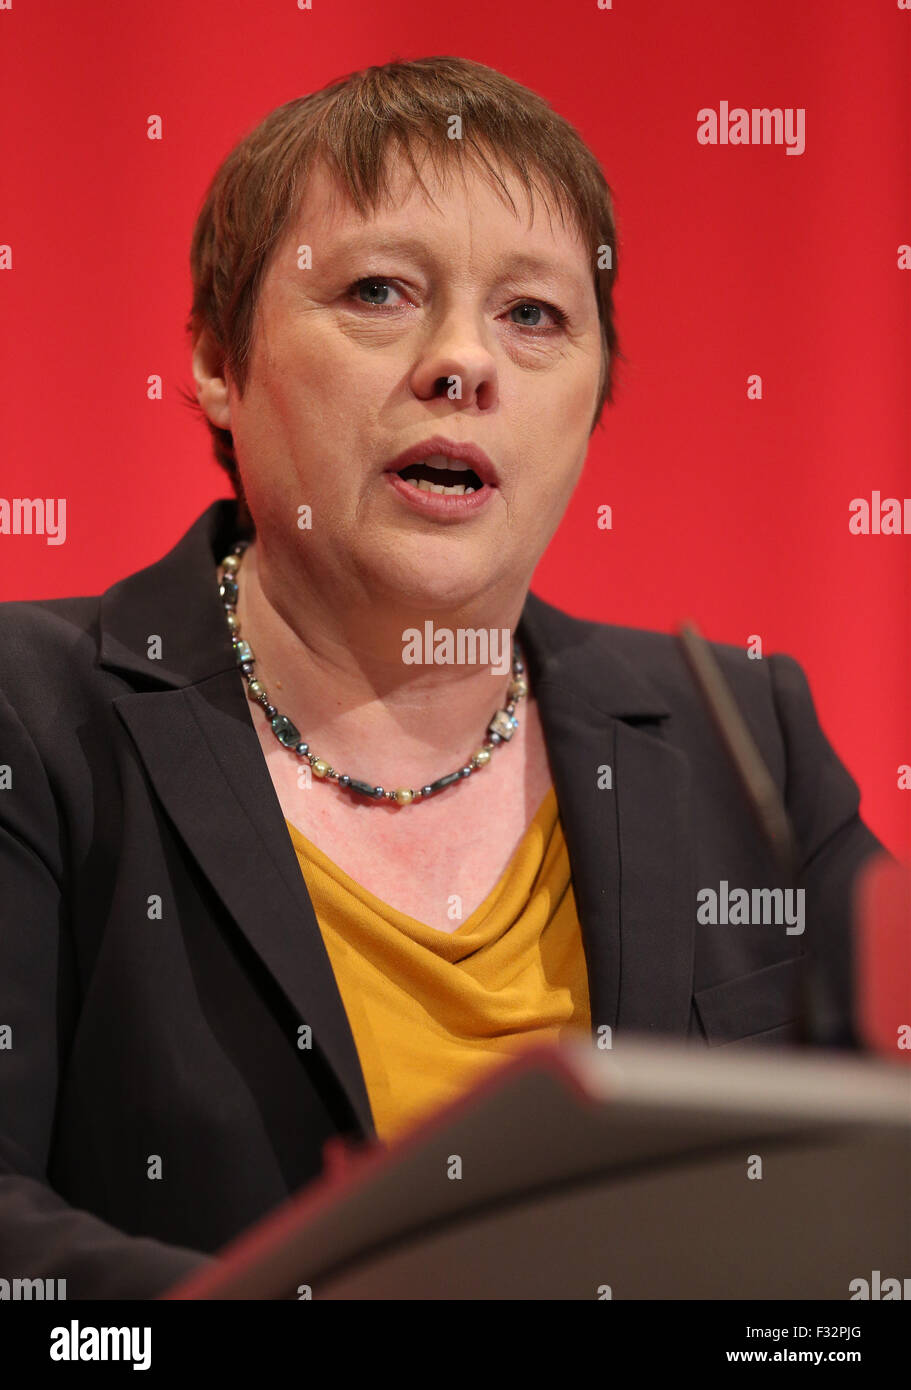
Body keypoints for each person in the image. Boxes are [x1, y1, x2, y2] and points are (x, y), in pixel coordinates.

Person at [0, 55, 886, 1299]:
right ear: (215, 356)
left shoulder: (740, 736)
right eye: (378, 291)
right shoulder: (35, 719)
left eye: (534, 315)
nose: (462, 361)